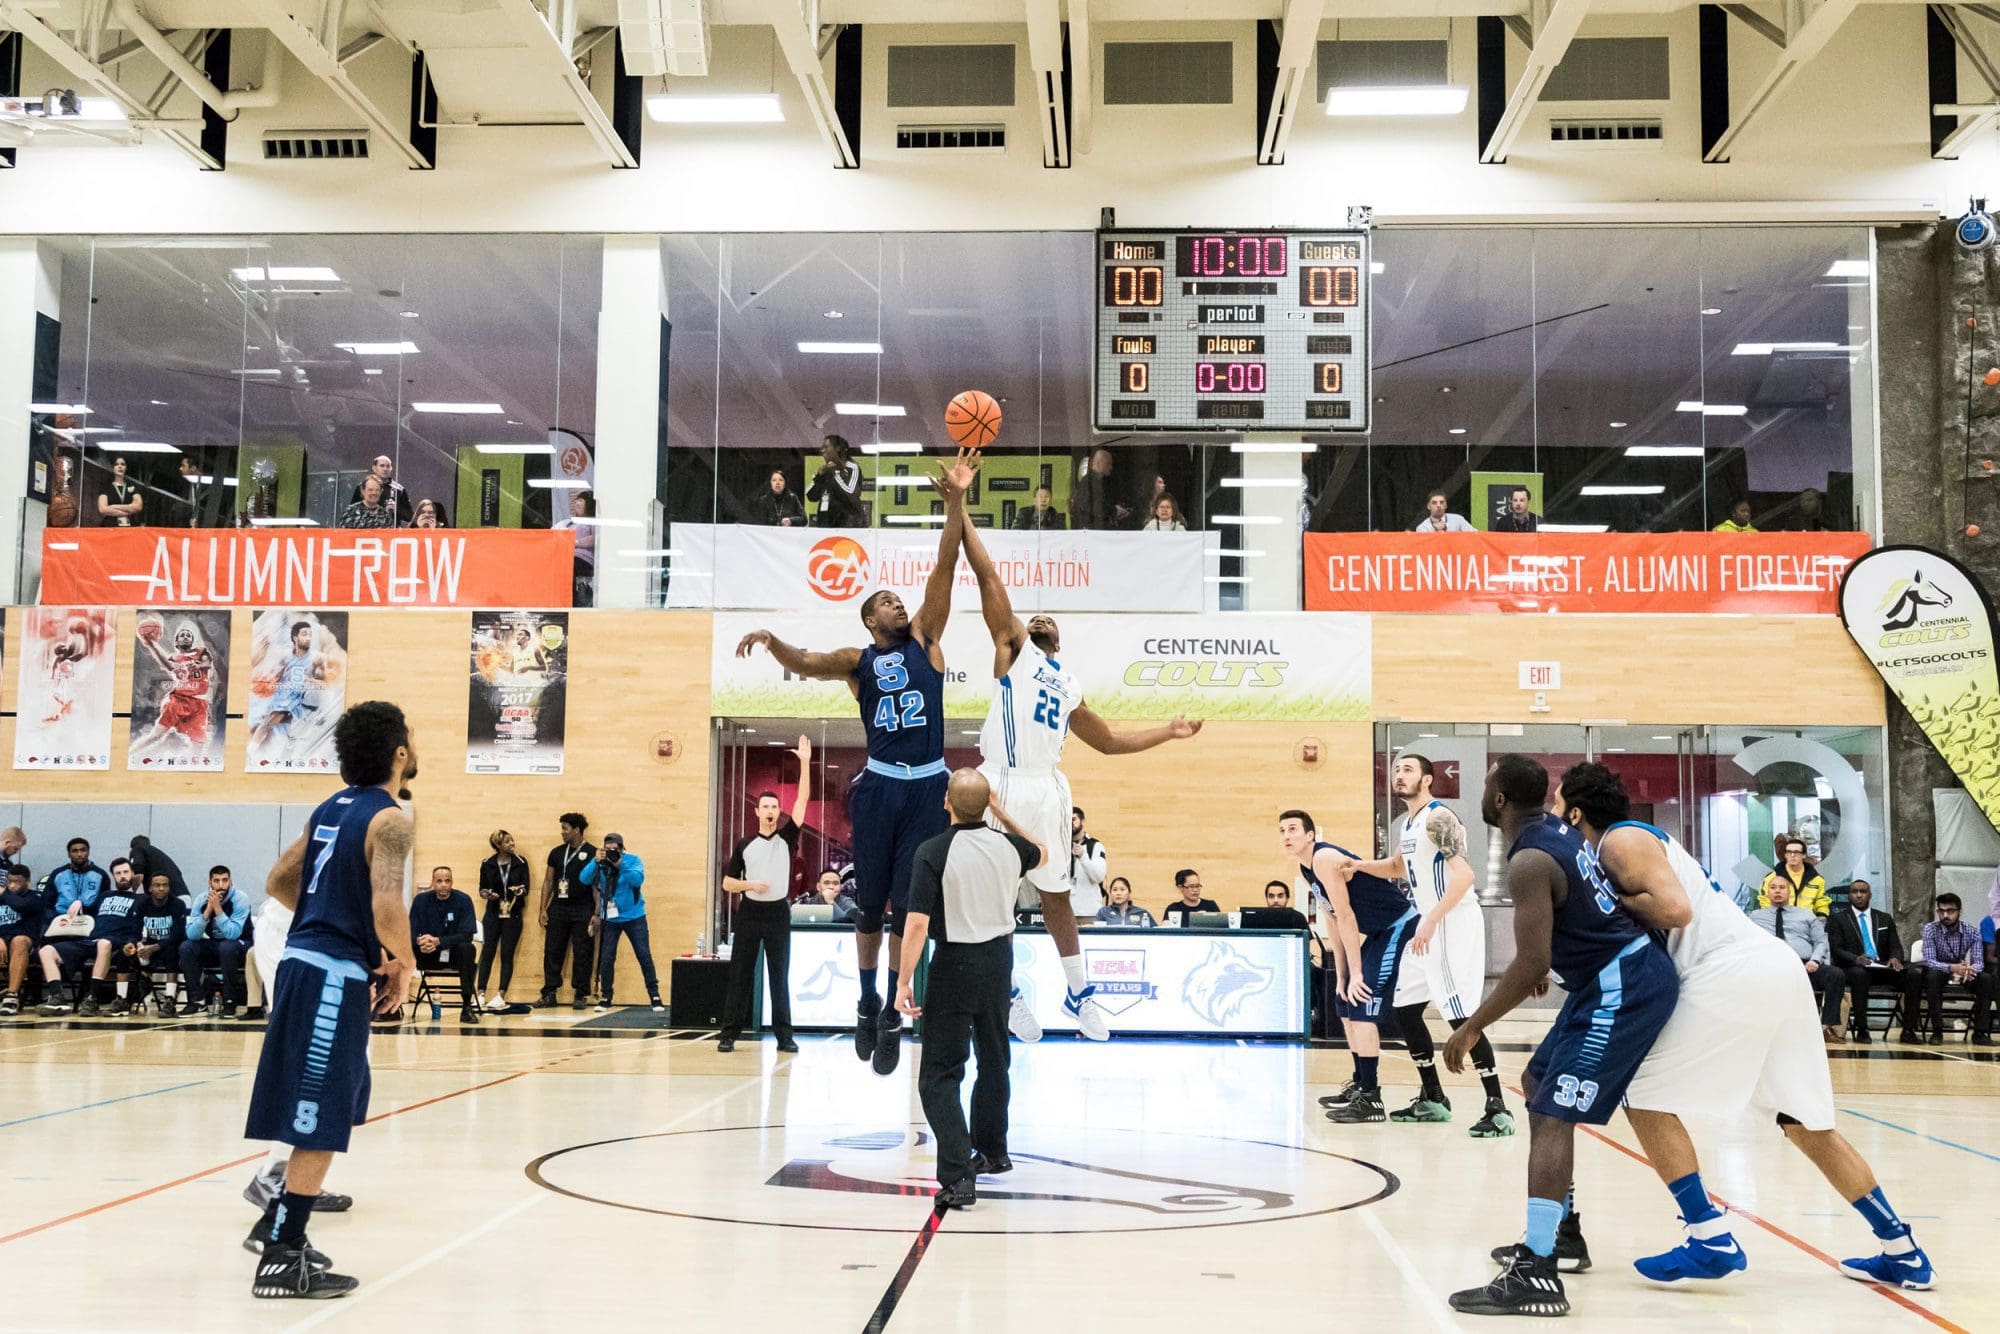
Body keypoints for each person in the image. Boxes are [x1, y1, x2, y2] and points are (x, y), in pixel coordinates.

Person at [1529, 762, 1935, 1295]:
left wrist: (1600, 907)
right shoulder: (1632, 844)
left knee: (1641, 1094)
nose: (1553, 812)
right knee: (1802, 1121)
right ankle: (1902, 1249)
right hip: (1773, 970)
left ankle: (1708, 1235)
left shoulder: (1619, 841)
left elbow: (1675, 910)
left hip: (1729, 971)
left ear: (1576, 812)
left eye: (1558, 803)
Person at [942, 453, 1201, 1043]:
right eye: (1032, 619)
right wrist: (960, 506)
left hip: (1048, 788)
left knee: (1056, 892)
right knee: (993, 896)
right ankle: (1008, 992)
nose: (1037, 620)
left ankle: (1079, 994)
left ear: (1059, 641)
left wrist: (1167, 732)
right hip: (1000, 780)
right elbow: (988, 577)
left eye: (1047, 621)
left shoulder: (1068, 683)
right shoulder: (1013, 652)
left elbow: (1107, 742)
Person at [734, 457, 969, 1075]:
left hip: (929, 787)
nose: (898, 604)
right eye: (886, 601)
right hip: (881, 787)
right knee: (869, 909)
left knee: (909, 910)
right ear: (870, 619)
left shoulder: (926, 639)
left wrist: (955, 504)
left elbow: (945, 567)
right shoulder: (856, 659)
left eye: (899, 599)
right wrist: (772, 641)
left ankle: (891, 1007)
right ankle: (865, 1001)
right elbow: (807, 661)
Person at [1440, 757, 1678, 1317]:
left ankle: (1539, 1270)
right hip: (1610, 976)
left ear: (1499, 799)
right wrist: (1549, 955)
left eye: (1486, 784)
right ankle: (1561, 1232)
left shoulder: (1529, 858)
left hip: (1624, 983)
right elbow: (1567, 914)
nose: (1483, 792)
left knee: (1553, 1112)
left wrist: (1472, 1027)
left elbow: (1529, 962)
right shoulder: (1552, 830)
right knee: (1537, 1081)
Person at [243, 699, 418, 1298]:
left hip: (306, 962)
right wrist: (404, 965)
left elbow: (278, 880)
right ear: (398, 752)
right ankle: (281, 1256)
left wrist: (330, 919)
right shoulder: (390, 819)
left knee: (337, 1101)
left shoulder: (330, 807)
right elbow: (387, 905)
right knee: (318, 1114)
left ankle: (277, 1227)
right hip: (329, 974)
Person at [1338, 754, 1513, 1135]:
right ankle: (1433, 1097)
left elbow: (1465, 876)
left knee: (1460, 1014)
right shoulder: (1409, 823)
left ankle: (1498, 1107)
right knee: (1405, 1009)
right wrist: (1361, 866)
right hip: (1429, 923)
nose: (1399, 776)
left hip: (1451, 922)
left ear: (1428, 779)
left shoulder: (1438, 818)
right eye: (1397, 770)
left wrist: (1431, 919)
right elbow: (1398, 867)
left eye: (1408, 770)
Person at [895, 770, 1046, 1209]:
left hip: (954, 964)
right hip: (999, 964)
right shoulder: (1010, 847)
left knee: (939, 1075)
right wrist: (1002, 813)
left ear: (947, 802)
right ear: (985, 805)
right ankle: (994, 1152)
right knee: (995, 1060)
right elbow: (1042, 851)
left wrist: (903, 980)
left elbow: (917, 923)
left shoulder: (932, 851)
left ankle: (960, 1175)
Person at [1284, 812, 1423, 1125]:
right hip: (1377, 932)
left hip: (1400, 924)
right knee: (1344, 1003)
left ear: (1310, 835)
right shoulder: (1306, 868)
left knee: (1361, 1000)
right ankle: (1361, 1083)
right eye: (1282, 830)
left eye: (1293, 829)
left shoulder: (1324, 858)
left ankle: (1372, 1098)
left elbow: (1347, 916)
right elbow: (1332, 919)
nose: (1286, 835)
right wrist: (1342, 975)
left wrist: (1357, 974)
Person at [719, 736, 813, 1054]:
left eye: (774, 806)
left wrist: (804, 762)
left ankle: (784, 1036)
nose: (770, 811)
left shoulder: (788, 837)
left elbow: (802, 800)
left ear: (778, 811)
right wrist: (750, 885)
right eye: (766, 806)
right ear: (757, 811)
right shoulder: (745, 845)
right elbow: (727, 883)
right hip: (750, 913)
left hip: (777, 914)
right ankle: (729, 1034)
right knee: (740, 974)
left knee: (779, 976)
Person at [37, 856, 139, 1015]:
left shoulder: (141, 899)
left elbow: (138, 928)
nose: (122, 876)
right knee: (46, 951)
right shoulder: (104, 896)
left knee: (104, 943)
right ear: (113, 876)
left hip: (117, 942)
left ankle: (92, 998)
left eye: (126, 872)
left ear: (132, 874)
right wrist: (79, 902)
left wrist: (132, 942)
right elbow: (88, 909)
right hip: (91, 940)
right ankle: (57, 997)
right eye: (118, 873)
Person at [1748, 879, 1848, 1041]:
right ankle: (1759, 1027)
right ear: (1767, 893)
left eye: (1782, 887)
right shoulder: (1755, 917)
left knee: (1836, 974)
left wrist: (1815, 960)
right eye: (1773, 888)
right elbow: (1747, 942)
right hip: (1771, 967)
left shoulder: (1806, 914)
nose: (1777, 891)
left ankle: (1827, 1027)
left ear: (1790, 892)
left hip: (1805, 966)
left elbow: (1821, 941)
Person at [580, 833, 662, 1013]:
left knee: (644, 955)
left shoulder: (632, 860)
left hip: (634, 916)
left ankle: (655, 996)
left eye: (615, 850)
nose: (611, 853)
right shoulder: (601, 863)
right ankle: (606, 997)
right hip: (610, 918)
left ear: (622, 848)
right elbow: (583, 879)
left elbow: (637, 880)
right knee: (607, 958)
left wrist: (619, 864)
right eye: (607, 849)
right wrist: (595, 861)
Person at [1905, 893, 1992, 1044]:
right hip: (1939, 970)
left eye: (1950, 911)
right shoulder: (1930, 929)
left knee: (1985, 978)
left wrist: (1969, 970)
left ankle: (1980, 1032)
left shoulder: (1971, 931)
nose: (1945, 915)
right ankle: (1937, 1031)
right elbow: (1930, 961)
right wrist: (1952, 968)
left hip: (1962, 972)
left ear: (1959, 911)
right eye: (1941, 911)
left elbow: (1979, 962)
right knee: (1932, 976)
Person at [1826, 880, 1904, 1041]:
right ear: (1849, 895)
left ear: (1870, 895)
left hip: (1881, 966)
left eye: (1863, 891)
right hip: (1853, 967)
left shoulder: (1884, 918)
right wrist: (1856, 959)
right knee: (1860, 975)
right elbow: (1836, 949)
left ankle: (1909, 1029)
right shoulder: (1838, 918)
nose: (1859, 895)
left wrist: (1895, 957)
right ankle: (1862, 1029)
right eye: (1855, 891)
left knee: (1913, 975)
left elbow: (1896, 946)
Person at [129, 620, 218, 762]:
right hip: (178, 701)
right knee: (156, 735)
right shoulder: (174, 658)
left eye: (188, 635)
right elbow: (164, 660)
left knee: (198, 745)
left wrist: (192, 665)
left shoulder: (201, 652)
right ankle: (129, 754)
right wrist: (151, 643)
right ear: (176, 642)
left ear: (192, 641)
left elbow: (206, 664)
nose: (185, 636)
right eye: (182, 635)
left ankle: (192, 767)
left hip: (199, 704)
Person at [537, 813, 598, 1010]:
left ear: (577, 830)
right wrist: (543, 908)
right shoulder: (556, 852)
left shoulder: (592, 853)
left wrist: (597, 913)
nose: (562, 832)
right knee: (552, 950)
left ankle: (580, 994)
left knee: (583, 951)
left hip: (583, 907)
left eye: (565, 828)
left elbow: (596, 885)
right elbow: (548, 881)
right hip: (558, 907)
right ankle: (549, 993)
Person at [249, 620, 330, 757]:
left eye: (310, 635)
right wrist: (271, 676)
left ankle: (289, 747)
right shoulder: (284, 655)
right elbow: (275, 673)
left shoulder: (317, 658)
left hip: (304, 703)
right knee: (266, 724)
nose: (308, 638)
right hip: (285, 701)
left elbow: (325, 685)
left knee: (288, 733)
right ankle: (250, 752)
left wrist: (308, 681)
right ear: (295, 638)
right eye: (304, 634)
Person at [178, 865, 250, 1017]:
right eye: (216, 881)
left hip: (241, 945)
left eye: (225, 880)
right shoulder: (201, 899)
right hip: (217, 945)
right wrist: (207, 911)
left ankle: (230, 1001)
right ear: (210, 883)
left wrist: (217, 909)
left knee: (227, 947)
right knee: (187, 947)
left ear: (230, 882)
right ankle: (197, 1001)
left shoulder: (240, 898)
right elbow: (192, 935)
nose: (221, 885)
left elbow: (233, 934)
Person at [410, 866, 479, 1024]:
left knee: (468, 948)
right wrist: (419, 941)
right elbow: (410, 930)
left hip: (453, 955)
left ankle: (467, 1007)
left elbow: (467, 935)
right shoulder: (420, 901)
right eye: (439, 881)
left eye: (447, 881)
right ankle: (389, 1006)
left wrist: (439, 941)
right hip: (426, 953)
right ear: (433, 883)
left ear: (452, 882)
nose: (443, 885)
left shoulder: (463, 900)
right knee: (392, 948)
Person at [474, 830, 530, 1011]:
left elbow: (526, 887)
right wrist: (487, 894)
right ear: (498, 845)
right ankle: (480, 993)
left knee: (507, 953)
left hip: (512, 914)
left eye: (512, 840)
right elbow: (482, 889)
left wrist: (519, 890)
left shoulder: (521, 862)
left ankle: (500, 995)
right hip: (493, 913)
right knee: (487, 952)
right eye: (507, 841)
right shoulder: (487, 863)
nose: (512, 843)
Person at [129, 872, 188, 1013]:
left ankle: (169, 999)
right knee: (128, 953)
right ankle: (126, 996)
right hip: (150, 945)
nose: (161, 888)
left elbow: (177, 935)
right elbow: (135, 931)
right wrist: (137, 944)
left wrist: (154, 947)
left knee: (172, 951)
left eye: (164, 885)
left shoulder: (178, 904)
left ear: (169, 887)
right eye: (157, 885)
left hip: (170, 945)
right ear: (150, 888)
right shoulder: (142, 904)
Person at [0, 864, 49, 1014]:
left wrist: (4, 892)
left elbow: (19, 905)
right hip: (2, 940)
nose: (12, 885)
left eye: (17, 882)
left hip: (26, 944)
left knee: (19, 941)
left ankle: (12, 996)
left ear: (27, 881)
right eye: (10, 881)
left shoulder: (35, 898)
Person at [1757, 838, 1831, 915]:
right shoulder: (1772, 877)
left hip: (1807, 920)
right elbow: (1764, 899)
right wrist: (1773, 916)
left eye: (1796, 852)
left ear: (1804, 855)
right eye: (1789, 852)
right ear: (1785, 855)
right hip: (1780, 919)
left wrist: (1822, 914)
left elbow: (1822, 901)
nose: (1792, 855)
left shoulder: (1816, 879)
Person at [806, 434, 866, 528]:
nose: (822, 450)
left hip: (846, 526)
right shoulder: (826, 469)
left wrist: (835, 473)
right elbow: (810, 496)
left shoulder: (852, 467)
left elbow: (850, 494)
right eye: (822, 447)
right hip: (825, 526)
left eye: (826, 447)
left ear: (837, 448)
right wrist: (819, 476)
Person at [1073, 447, 1129, 530]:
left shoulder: (1098, 481)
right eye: (1108, 464)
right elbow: (1095, 507)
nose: (1111, 467)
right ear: (1099, 463)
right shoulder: (1090, 482)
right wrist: (1115, 511)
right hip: (1093, 531)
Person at [348, 455, 413, 526]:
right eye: (382, 466)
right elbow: (352, 511)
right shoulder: (363, 486)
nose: (385, 469)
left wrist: (396, 509)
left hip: (390, 529)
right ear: (374, 468)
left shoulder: (399, 489)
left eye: (388, 466)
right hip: (366, 528)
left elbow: (410, 516)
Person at [1069, 807, 1108, 913]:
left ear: (1082, 821)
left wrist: (1083, 857)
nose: (1070, 823)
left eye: (1073, 819)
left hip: (1089, 911)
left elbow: (1099, 877)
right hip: (1065, 912)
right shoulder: (1061, 847)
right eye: (1067, 820)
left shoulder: (1095, 846)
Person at [128, 834, 188, 899]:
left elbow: (138, 874)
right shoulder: (158, 856)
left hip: (169, 898)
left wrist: (130, 893)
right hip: (183, 895)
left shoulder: (138, 849)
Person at [97, 455, 143, 526]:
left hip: (130, 526)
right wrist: (127, 510)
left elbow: (138, 506)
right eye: (116, 464)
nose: (120, 466)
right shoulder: (106, 486)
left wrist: (114, 506)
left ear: (126, 467)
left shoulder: (132, 486)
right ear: (113, 468)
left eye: (122, 464)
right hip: (110, 526)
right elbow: (102, 509)